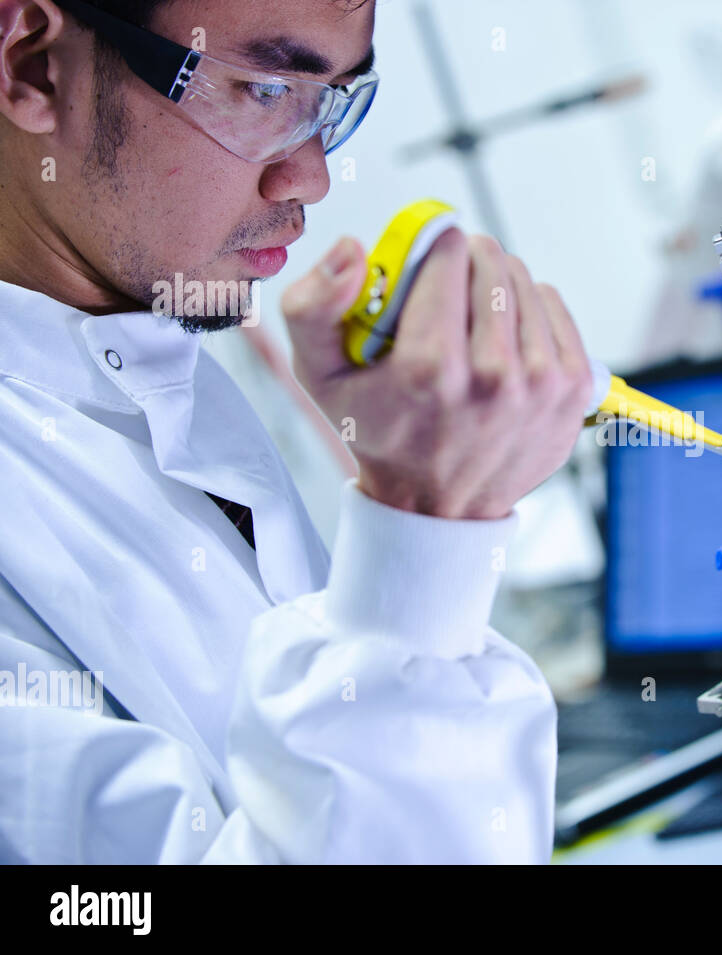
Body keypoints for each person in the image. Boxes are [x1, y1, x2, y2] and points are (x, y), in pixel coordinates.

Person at [0, 0, 592, 862]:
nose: (309, 176)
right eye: (263, 88)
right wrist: (427, 527)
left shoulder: (159, 345)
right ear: (33, 65)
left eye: (335, 100)